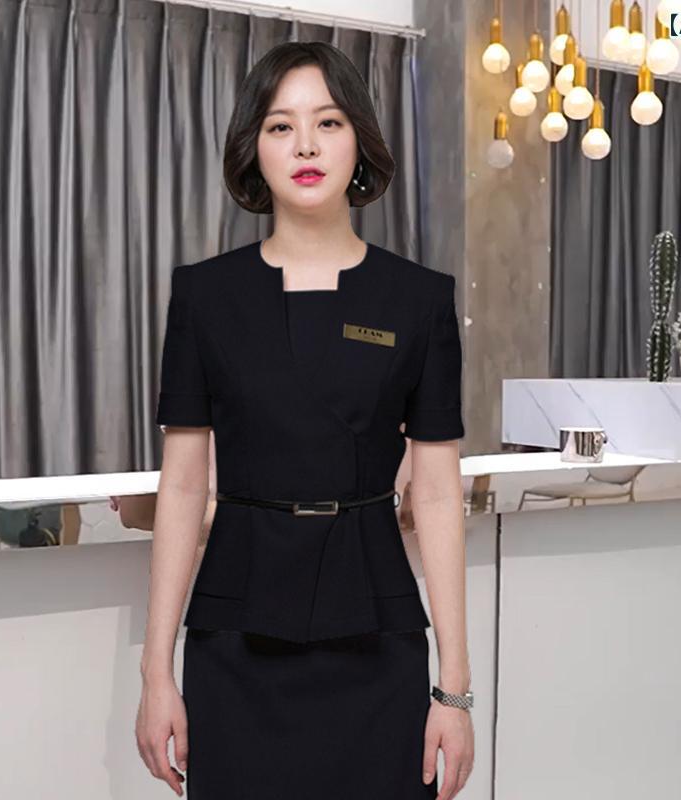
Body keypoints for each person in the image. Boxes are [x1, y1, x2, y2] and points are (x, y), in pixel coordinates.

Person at [135, 41, 474, 799]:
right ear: (254, 150)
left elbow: (437, 492)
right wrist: (156, 673)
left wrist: (454, 691)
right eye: (281, 126)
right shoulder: (204, 297)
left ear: (359, 142)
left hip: (377, 636)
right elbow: (183, 488)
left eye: (328, 122)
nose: (307, 146)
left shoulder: (419, 300)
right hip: (234, 639)